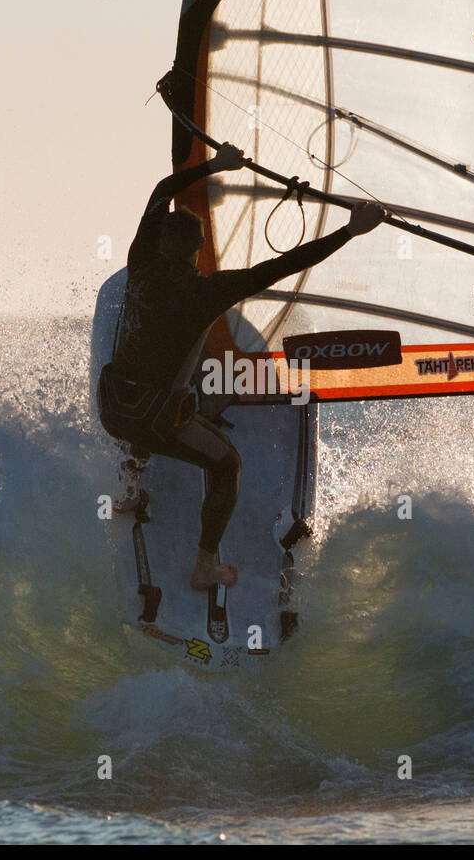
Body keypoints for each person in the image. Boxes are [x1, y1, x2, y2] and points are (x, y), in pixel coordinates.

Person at [98, 141, 386, 590]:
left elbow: (160, 191)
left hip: (114, 409)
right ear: (197, 251)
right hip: (154, 418)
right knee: (227, 463)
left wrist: (214, 165)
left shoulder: (140, 262)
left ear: (157, 241)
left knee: (166, 392)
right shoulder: (205, 293)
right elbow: (286, 264)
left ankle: (129, 490)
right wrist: (351, 230)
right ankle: (204, 565)